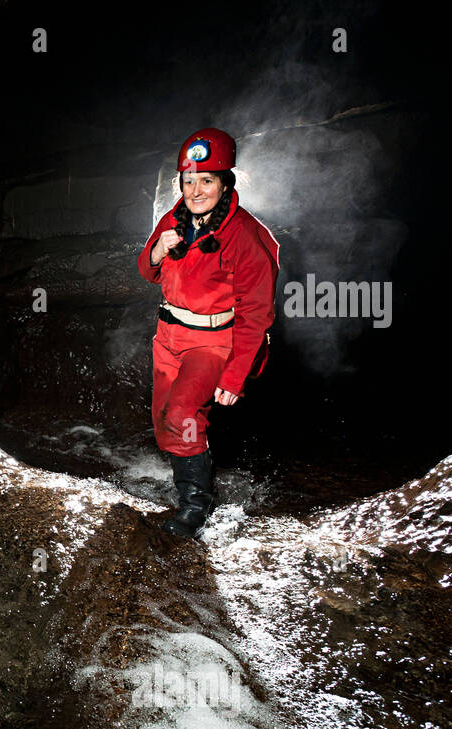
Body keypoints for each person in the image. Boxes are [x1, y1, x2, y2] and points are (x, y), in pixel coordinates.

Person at [136, 127, 280, 538]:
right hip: (168, 337)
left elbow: (256, 313)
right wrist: (157, 250)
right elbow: (147, 272)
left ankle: (196, 506)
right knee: (166, 422)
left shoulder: (248, 236)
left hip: (213, 342)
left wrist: (235, 376)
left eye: (206, 180)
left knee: (183, 414)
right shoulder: (174, 216)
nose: (195, 190)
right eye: (188, 180)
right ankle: (192, 480)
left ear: (225, 182)